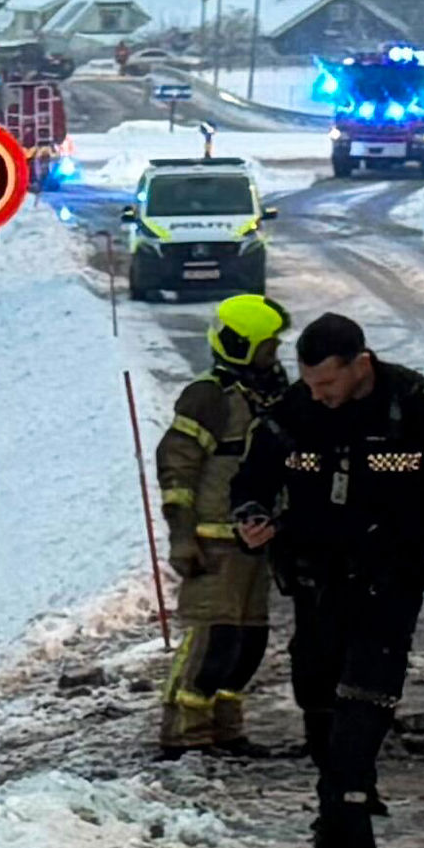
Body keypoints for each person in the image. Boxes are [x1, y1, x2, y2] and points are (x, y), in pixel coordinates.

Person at [232, 310, 424, 848]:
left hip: (391, 575)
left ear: (361, 365)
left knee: (366, 695)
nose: (319, 397)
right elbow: (252, 476)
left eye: (328, 384)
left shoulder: (417, 405)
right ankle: (349, 797)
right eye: (311, 386)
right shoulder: (295, 411)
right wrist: (249, 514)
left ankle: (337, 833)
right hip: (316, 577)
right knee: (317, 690)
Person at [152, 293, 291, 755]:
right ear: (238, 346)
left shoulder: (274, 395)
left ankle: (226, 727)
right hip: (214, 544)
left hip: (258, 541)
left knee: (249, 642)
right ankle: (184, 731)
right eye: (265, 348)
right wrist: (181, 534)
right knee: (212, 640)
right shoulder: (209, 398)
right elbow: (177, 466)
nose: (272, 357)